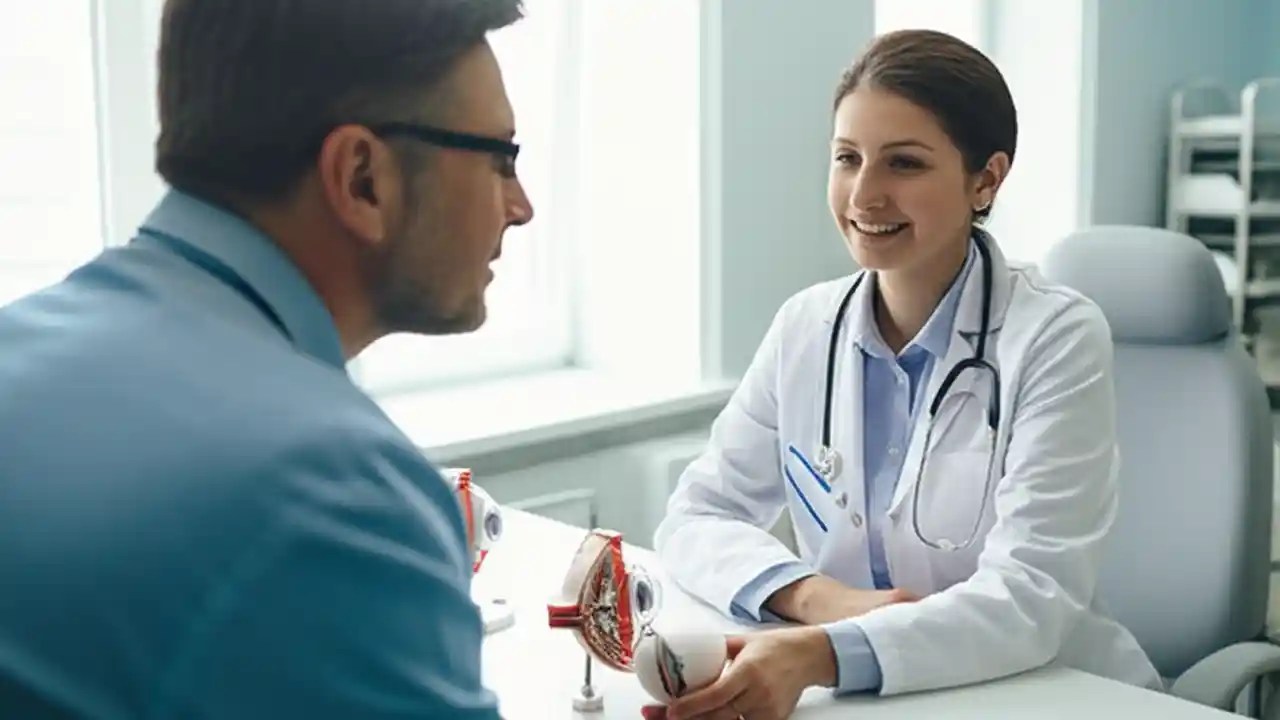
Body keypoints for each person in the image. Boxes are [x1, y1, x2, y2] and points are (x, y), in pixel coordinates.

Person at [0, 1, 532, 717]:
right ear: (362, 178)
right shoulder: (335, 493)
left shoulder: (21, 345)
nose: (520, 205)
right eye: (499, 157)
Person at [653, 29, 1161, 720]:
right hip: (878, 699)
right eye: (847, 158)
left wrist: (823, 652)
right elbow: (697, 515)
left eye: (904, 164)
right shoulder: (805, 327)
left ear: (986, 178)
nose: (864, 194)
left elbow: (1031, 594)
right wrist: (817, 601)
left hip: (1050, 693)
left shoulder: (1055, 337)